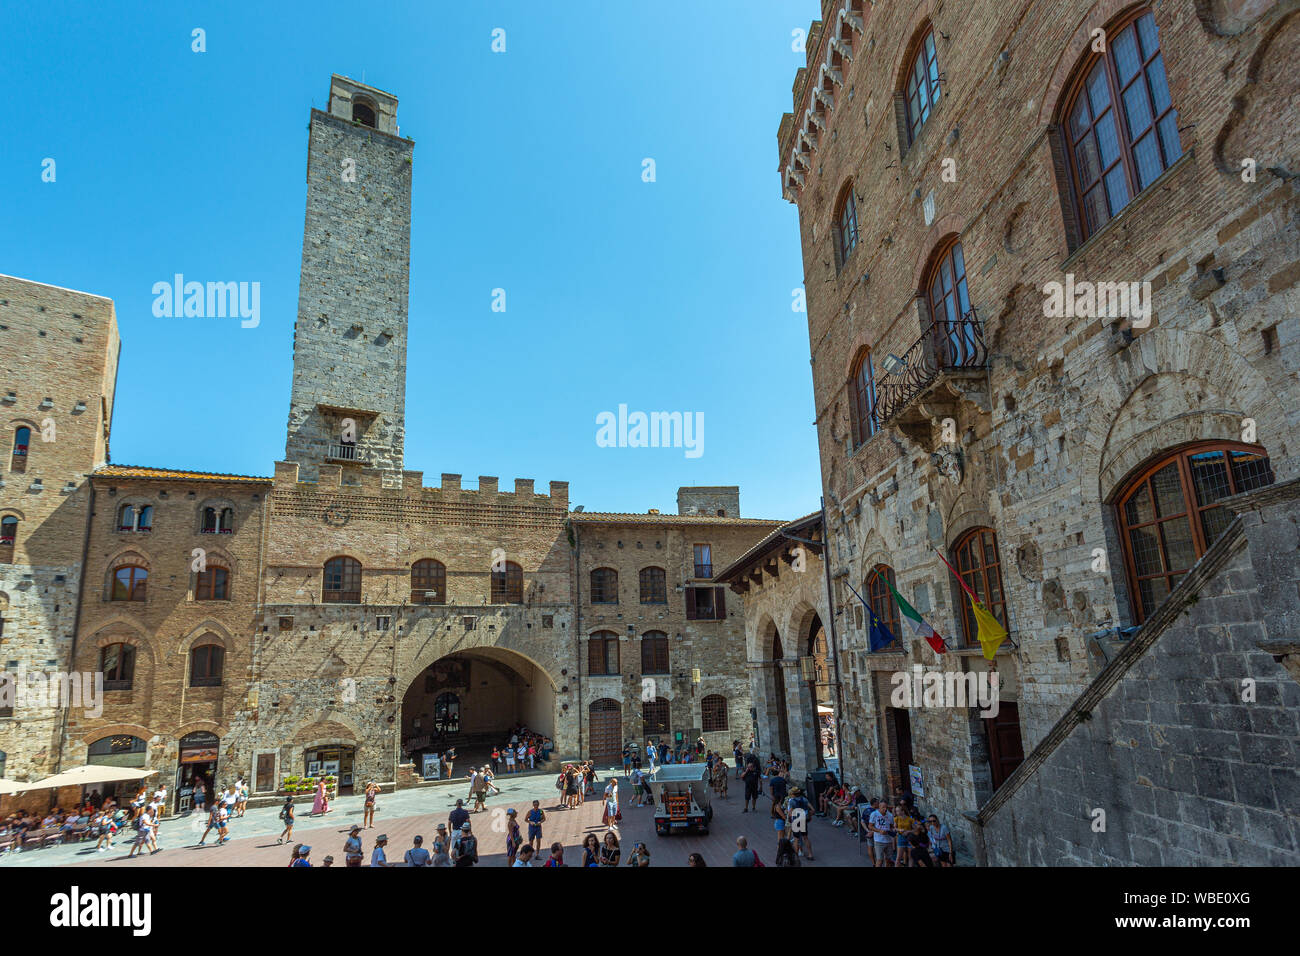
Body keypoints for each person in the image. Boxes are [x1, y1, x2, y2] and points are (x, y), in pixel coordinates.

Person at [787, 786, 815, 860]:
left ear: (793, 794)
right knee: (805, 837)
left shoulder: (792, 801)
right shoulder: (804, 799)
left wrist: (790, 817)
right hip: (803, 819)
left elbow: (790, 813)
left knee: (796, 839)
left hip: (796, 821)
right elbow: (813, 810)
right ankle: (810, 854)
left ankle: (795, 856)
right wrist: (809, 815)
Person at [868, 799, 894, 867]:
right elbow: (870, 826)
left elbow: (892, 827)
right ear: (879, 807)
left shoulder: (890, 815)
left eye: (886, 807)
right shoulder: (874, 814)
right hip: (879, 841)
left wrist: (894, 830)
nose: (885, 809)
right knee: (879, 860)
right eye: (883, 807)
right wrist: (879, 831)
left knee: (888, 860)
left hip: (888, 840)